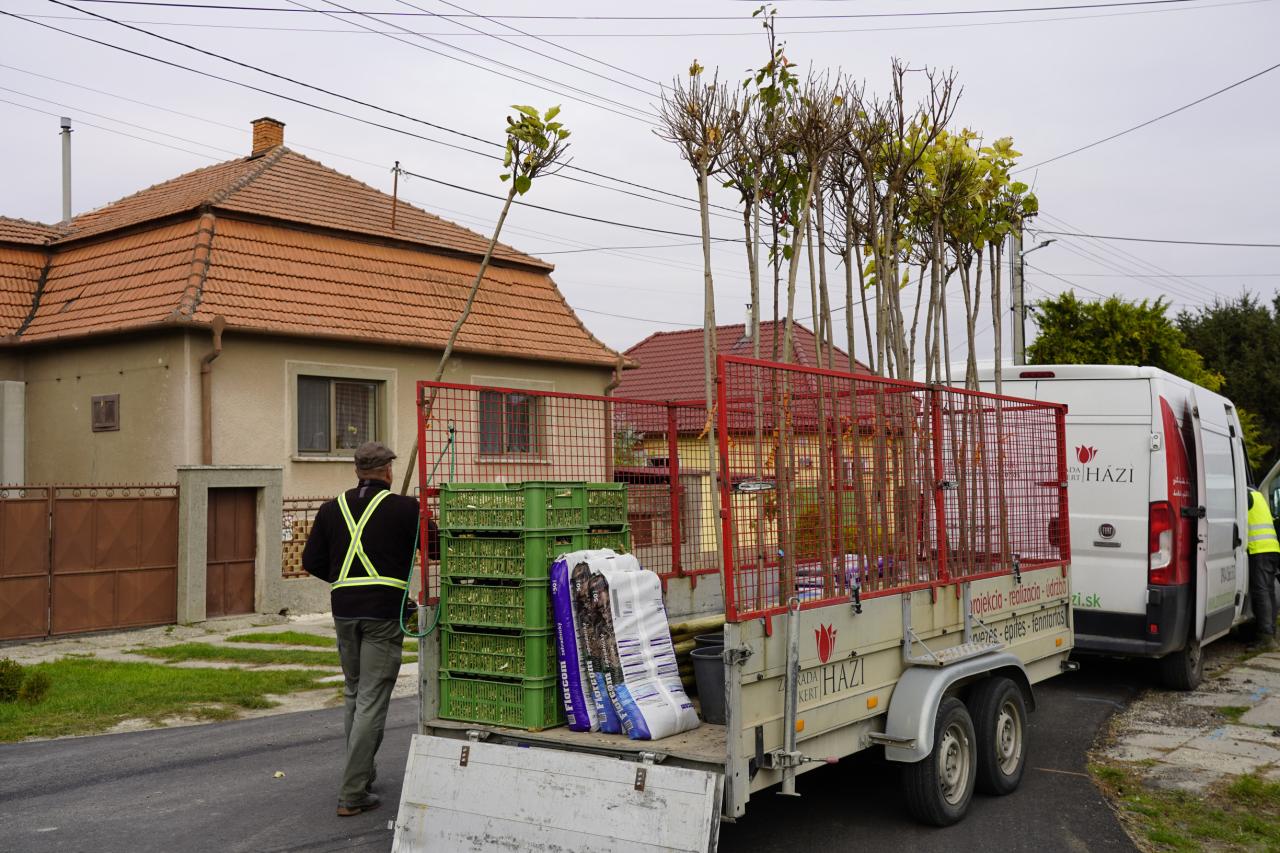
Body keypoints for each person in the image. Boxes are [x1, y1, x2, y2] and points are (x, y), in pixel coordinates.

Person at [302, 441, 421, 817]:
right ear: (388, 471)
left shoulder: (331, 508)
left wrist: (347, 581)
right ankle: (353, 792)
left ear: (357, 471)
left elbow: (311, 561)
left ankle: (363, 774)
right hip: (383, 613)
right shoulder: (405, 508)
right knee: (370, 698)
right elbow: (435, 548)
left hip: (344, 610)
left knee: (355, 693)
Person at [1247, 488, 1280, 650]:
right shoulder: (1259, 496)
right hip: (1272, 548)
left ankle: (1266, 638)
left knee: (1262, 593)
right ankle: (1271, 633)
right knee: (1269, 592)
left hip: (1259, 550)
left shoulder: (1246, 496)